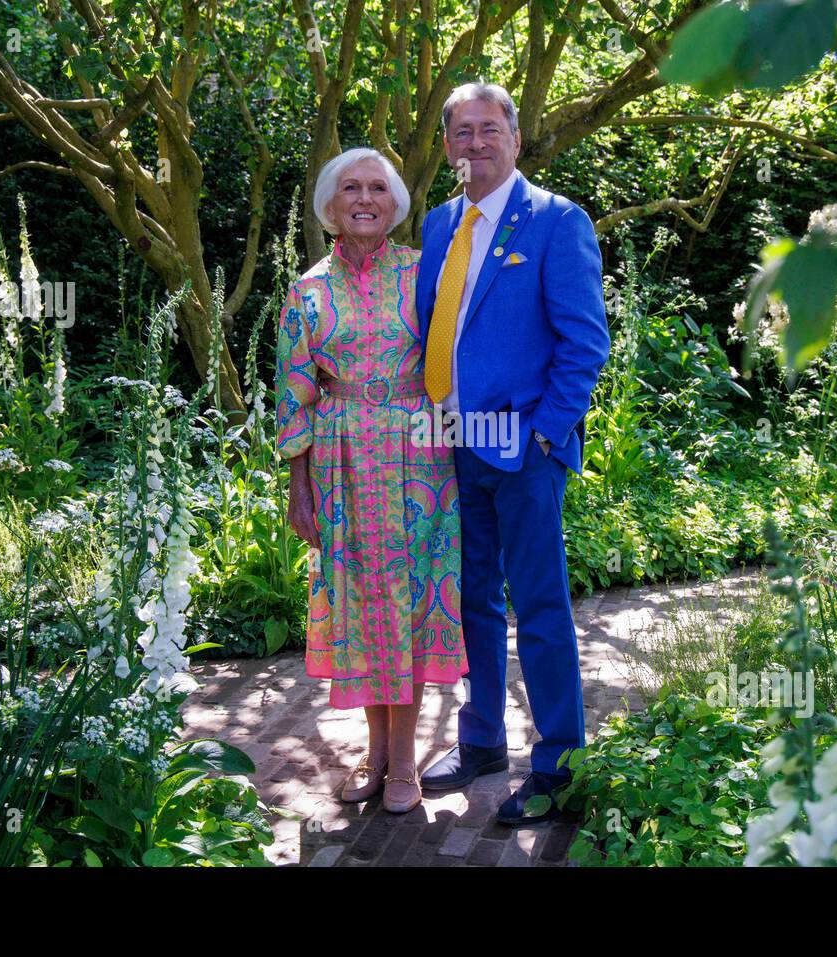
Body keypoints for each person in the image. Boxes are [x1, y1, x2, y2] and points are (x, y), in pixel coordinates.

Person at [416, 82, 610, 824]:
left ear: (516, 139)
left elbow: (584, 341)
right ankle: (482, 740)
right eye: (461, 132)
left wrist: (543, 435)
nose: (475, 143)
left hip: (525, 449)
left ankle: (559, 762)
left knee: (539, 605)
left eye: (488, 129)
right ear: (446, 146)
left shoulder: (558, 222)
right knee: (472, 603)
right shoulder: (438, 226)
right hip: (456, 446)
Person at [275, 147, 466, 815]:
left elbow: (456, 355)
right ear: (331, 205)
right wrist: (299, 490)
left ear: (394, 204)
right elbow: (293, 396)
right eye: (351, 188)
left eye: (377, 189)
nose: (365, 198)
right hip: (343, 465)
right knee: (361, 606)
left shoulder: (424, 274)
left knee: (410, 604)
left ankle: (406, 758)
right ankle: (374, 751)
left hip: (420, 461)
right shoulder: (306, 292)